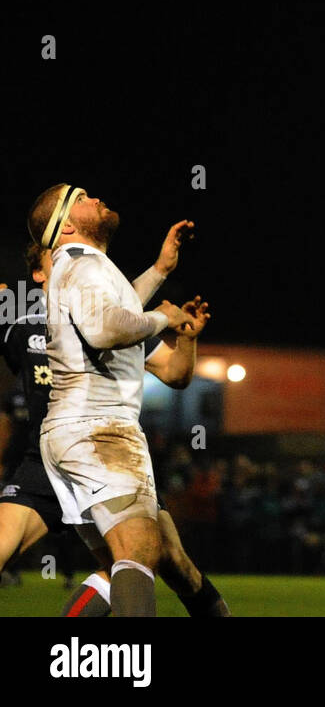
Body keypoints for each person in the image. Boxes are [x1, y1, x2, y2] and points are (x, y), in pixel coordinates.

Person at [2, 234, 228, 617]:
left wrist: (186, 340)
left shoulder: (109, 317)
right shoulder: (21, 322)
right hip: (45, 459)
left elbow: (175, 373)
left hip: (105, 453)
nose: (75, 264)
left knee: (171, 562)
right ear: (40, 274)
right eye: (57, 259)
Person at [28, 185, 196, 617]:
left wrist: (159, 270)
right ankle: (137, 668)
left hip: (71, 430)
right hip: (101, 429)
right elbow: (104, 329)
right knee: (138, 555)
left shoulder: (78, 265)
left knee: (119, 564)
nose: (95, 198)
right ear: (66, 225)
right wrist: (165, 316)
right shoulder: (82, 264)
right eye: (82, 197)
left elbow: (112, 309)